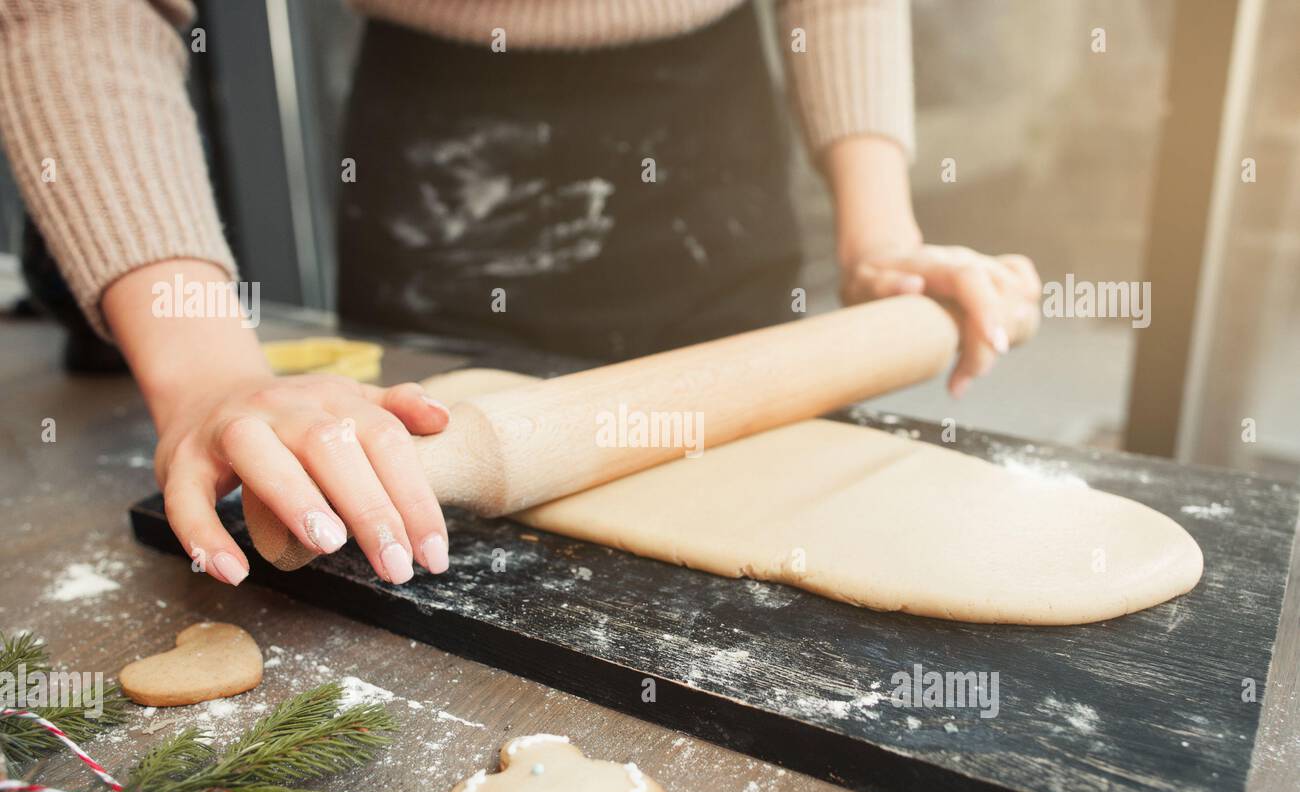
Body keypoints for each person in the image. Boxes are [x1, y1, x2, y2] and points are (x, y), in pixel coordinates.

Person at [0, 0, 1041, 590]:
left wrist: (881, 233)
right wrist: (207, 374)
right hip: (442, 158)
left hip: (712, 140)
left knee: (748, 477)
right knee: (396, 509)